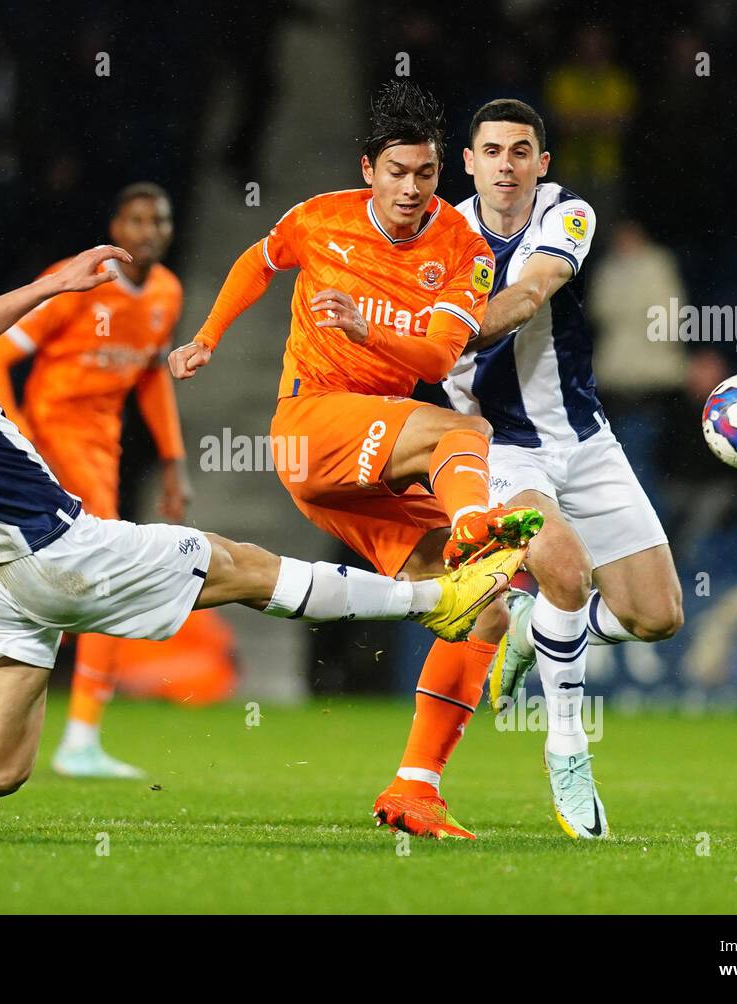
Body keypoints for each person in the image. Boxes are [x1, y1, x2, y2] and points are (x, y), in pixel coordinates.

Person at [0, 225, 521, 831]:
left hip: (4, 576)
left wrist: (55, 284)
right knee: (239, 564)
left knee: (0, 764)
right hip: (56, 549)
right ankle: (430, 603)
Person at [169, 81, 542, 840]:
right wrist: (207, 336)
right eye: (397, 172)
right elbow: (258, 259)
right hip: (310, 425)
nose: (412, 189)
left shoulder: (463, 252)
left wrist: (368, 333)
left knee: (482, 609)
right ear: (368, 168)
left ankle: (415, 788)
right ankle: (475, 520)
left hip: (366, 465)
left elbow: (439, 350)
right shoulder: (320, 219)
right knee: (457, 432)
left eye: (427, 175)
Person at [443, 98, 684, 839]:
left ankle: (530, 623)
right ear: (470, 162)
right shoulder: (441, 236)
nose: (507, 165)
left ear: (541, 163)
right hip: (502, 446)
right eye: (493, 151)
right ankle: (568, 751)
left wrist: (424, 329)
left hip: (585, 440)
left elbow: (528, 295)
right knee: (569, 572)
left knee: (658, 616)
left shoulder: (565, 213)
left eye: (521, 151)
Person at [0, 181, 216, 779]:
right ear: (116, 228)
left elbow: (153, 375)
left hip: (101, 447)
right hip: (53, 440)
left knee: (71, 580)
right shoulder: (80, 280)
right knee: (103, 578)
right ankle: (79, 737)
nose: (147, 232)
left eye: (158, 222)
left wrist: (173, 460)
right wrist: (20, 441)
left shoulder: (166, 292)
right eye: (135, 221)